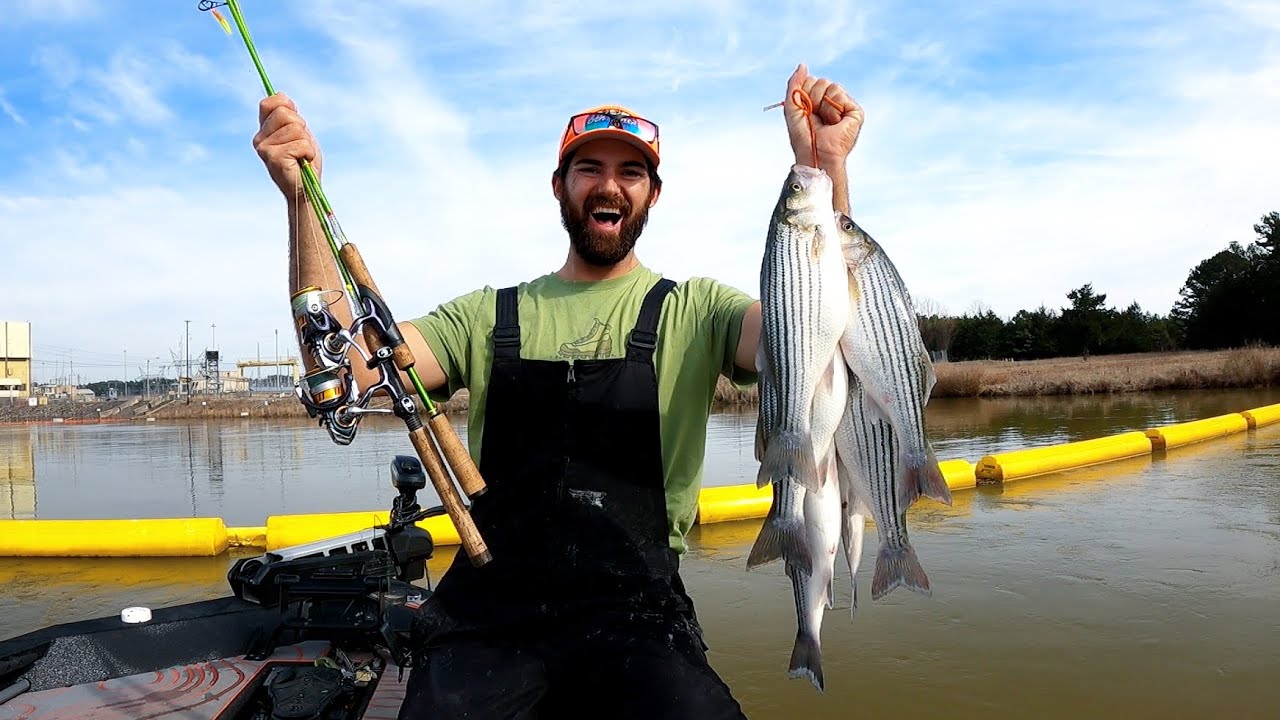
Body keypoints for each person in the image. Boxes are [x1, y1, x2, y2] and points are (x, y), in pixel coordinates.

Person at [253, 63, 863, 719]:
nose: (609, 185)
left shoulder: (699, 310)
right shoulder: (486, 316)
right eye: (589, 168)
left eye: (631, 172)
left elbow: (819, 337)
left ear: (653, 193)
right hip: (488, 614)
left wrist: (823, 171)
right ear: (559, 187)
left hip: (637, 616)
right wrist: (300, 200)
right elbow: (345, 368)